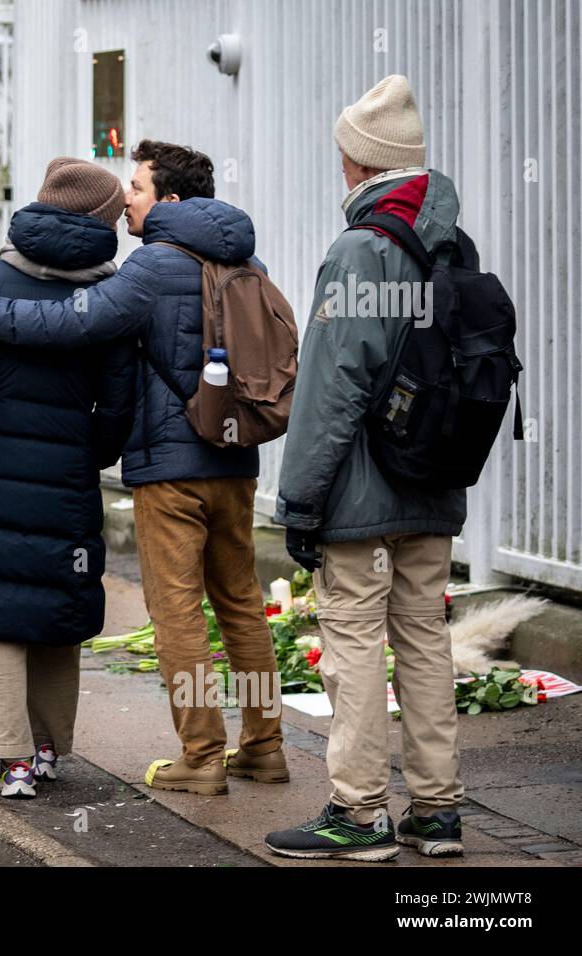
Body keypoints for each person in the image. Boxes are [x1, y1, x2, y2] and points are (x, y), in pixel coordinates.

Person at [0, 141, 287, 796]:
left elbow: (75, 322)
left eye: (137, 186)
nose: (127, 198)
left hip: (170, 468)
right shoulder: (246, 259)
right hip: (236, 461)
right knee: (242, 603)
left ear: (173, 201)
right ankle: (265, 746)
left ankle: (202, 755)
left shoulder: (152, 267)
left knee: (179, 612)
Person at [264, 75, 467, 862]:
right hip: (432, 483)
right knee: (425, 642)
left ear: (357, 162)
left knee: (352, 644)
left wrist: (299, 500)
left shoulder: (359, 250)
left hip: (359, 492)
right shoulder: (452, 242)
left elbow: (331, 387)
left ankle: (358, 814)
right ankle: (438, 813)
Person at [0, 158, 136, 798]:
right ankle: (47, 746)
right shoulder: (111, 294)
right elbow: (119, 405)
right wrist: (83, 453)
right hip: (65, 474)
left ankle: (8, 758)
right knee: (56, 608)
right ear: (102, 222)